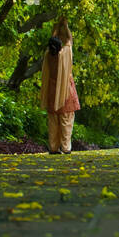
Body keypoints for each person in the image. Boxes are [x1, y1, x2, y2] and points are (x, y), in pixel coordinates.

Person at [39, 16, 79, 154]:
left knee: (53, 121)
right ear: (59, 46)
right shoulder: (64, 55)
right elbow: (70, 41)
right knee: (66, 120)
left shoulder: (48, 56)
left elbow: (53, 43)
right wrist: (65, 26)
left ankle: (54, 147)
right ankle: (66, 148)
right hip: (65, 93)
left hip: (52, 91)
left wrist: (55, 30)